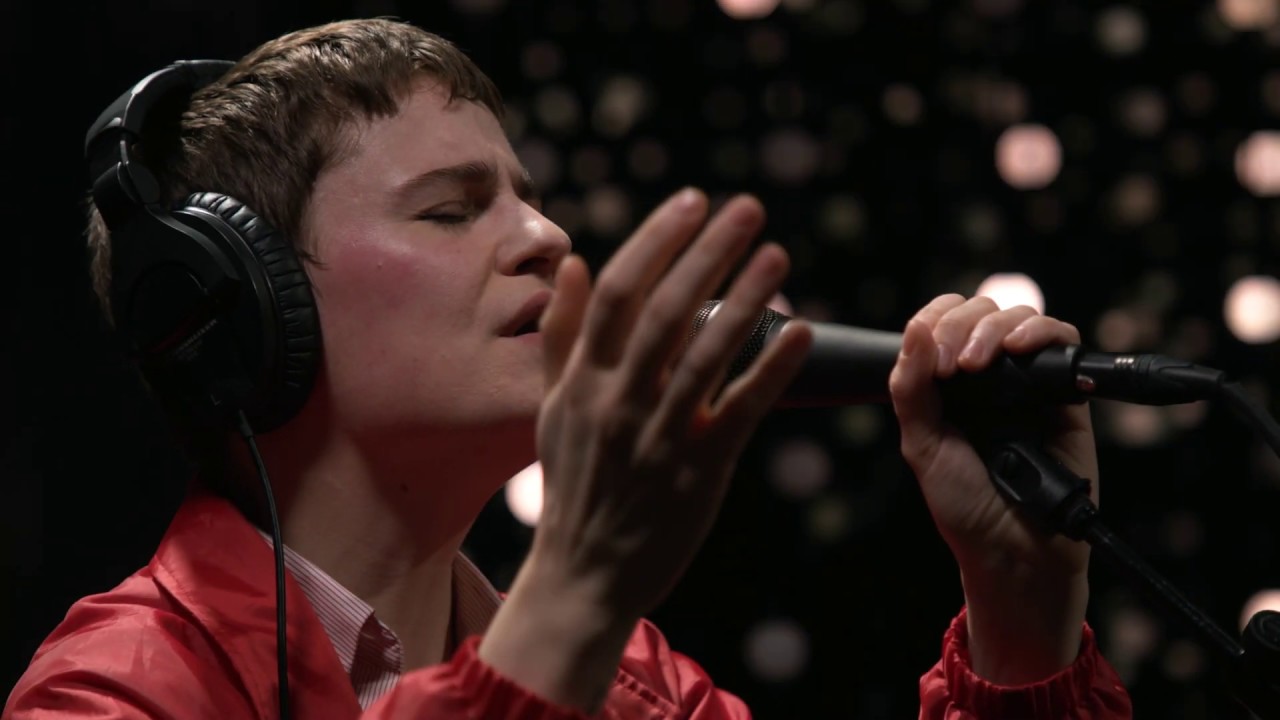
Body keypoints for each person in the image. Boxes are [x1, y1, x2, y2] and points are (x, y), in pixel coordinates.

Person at [5, 17, 1131, 720]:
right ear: (241, 306)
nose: (545, 238)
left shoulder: (638, 687)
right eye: (451, 210)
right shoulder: (116, 692)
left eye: (528, 197)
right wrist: (578, 591)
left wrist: (1022, 616)